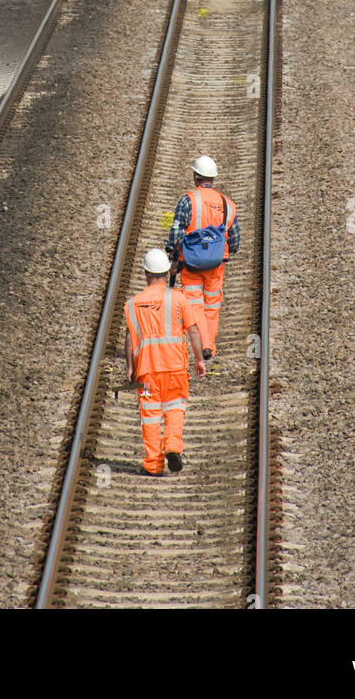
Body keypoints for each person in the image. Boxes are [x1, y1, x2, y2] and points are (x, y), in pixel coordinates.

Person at [123, 248, 206, 476]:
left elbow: (130, 337)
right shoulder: (179, 298)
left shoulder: (133, 304)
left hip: (147, 370)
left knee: (150, 416)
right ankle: (172, 445)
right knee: (175, 408)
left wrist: (130, 367)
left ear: (146, 273)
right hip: (175, 367)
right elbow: (194, 331)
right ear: (167, 271)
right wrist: (199, 360)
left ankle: (153, 464)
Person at [166, 155, 239, 361]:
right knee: (212, 306)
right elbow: (234, 239)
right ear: (213, 179)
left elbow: (176, 232)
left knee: (194, 305)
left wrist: (172, 254)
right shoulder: (227, 203)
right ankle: (209, 346)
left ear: (195, 177)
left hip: (190, 263)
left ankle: (202, 347)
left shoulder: (188, 200)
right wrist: (224, 251)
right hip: (216, 265)